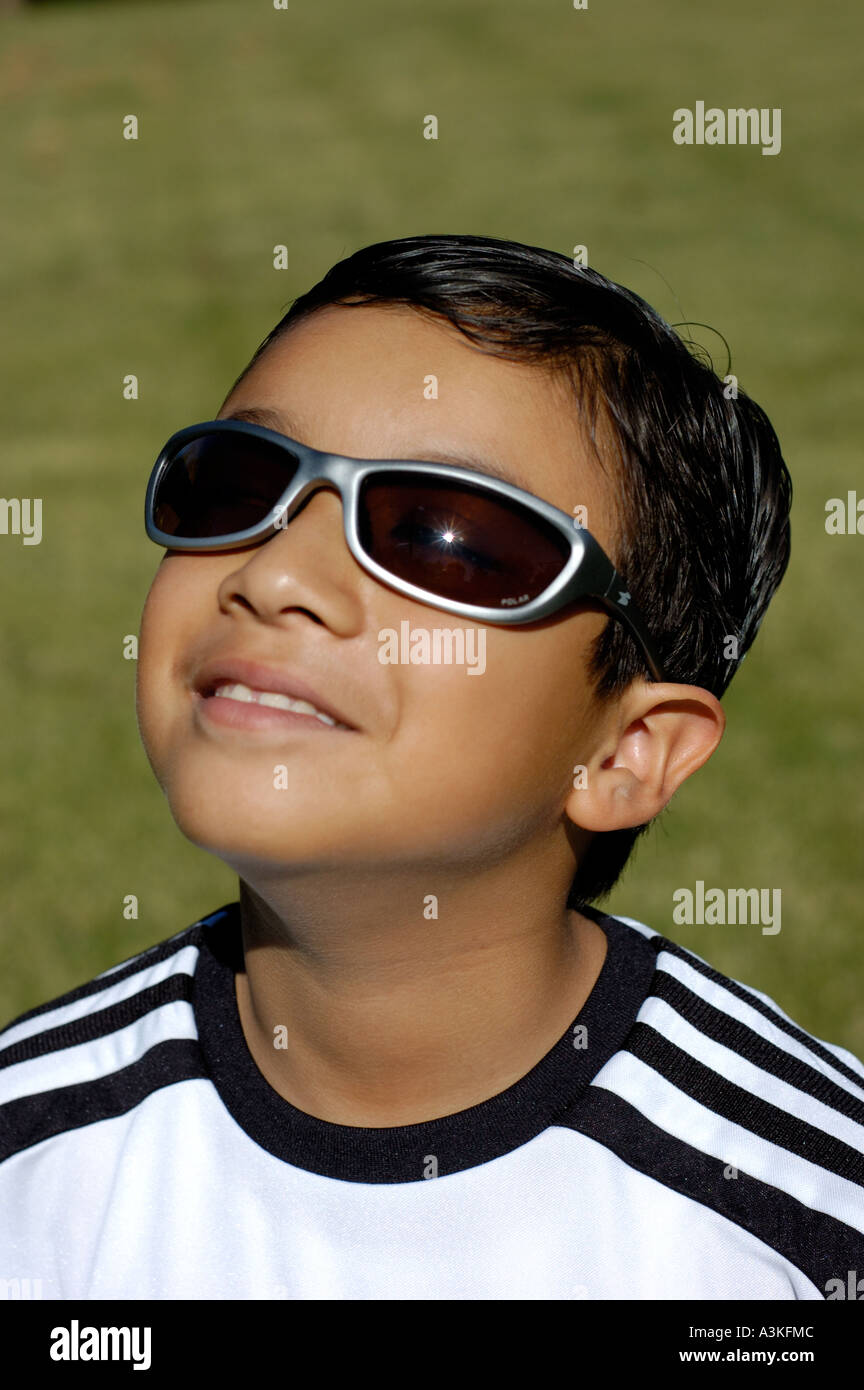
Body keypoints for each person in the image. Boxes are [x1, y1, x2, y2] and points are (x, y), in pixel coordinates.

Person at [2, 235, 862, 1300]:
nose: (278, 574)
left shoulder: (808, 1222)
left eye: (448, 537)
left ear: (626, 752)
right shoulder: (30, 1170)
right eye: (235, 483)